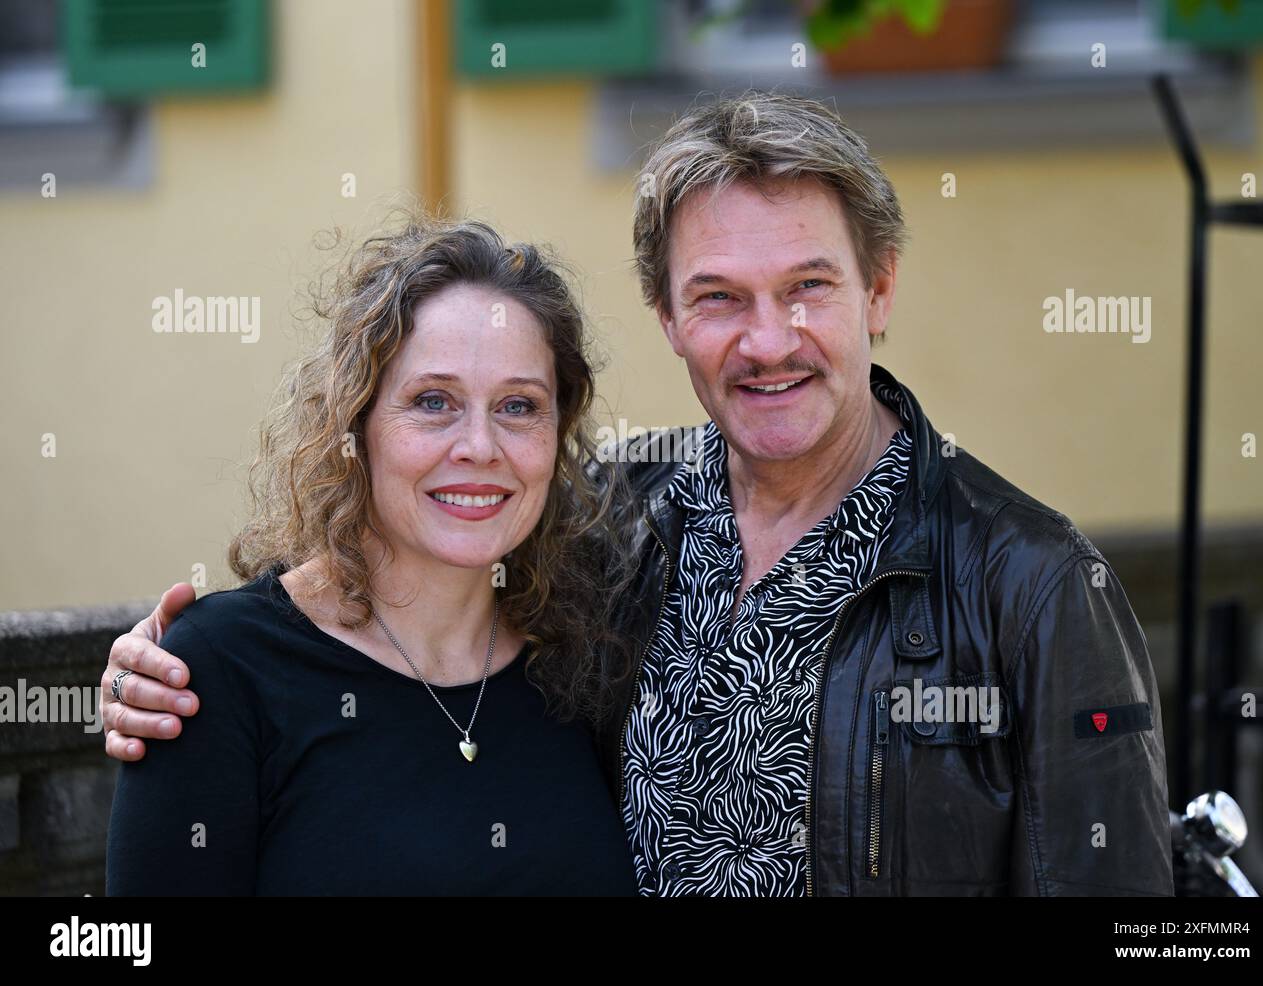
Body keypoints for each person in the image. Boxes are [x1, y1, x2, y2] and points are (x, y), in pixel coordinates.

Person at [103, 92, 1173, 896]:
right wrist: (175, 664)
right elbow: (396, 590)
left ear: (878, 288)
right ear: (666, 316)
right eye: (717, 296)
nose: (766, 340)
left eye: (808, 285)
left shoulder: (1030, 585)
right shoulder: (613, 525)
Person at [106, 218, 638, 895]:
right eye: (433, 401)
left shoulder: (587, 655)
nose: (480, 445)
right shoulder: (220, 672)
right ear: (355, 424)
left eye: (518, 406)